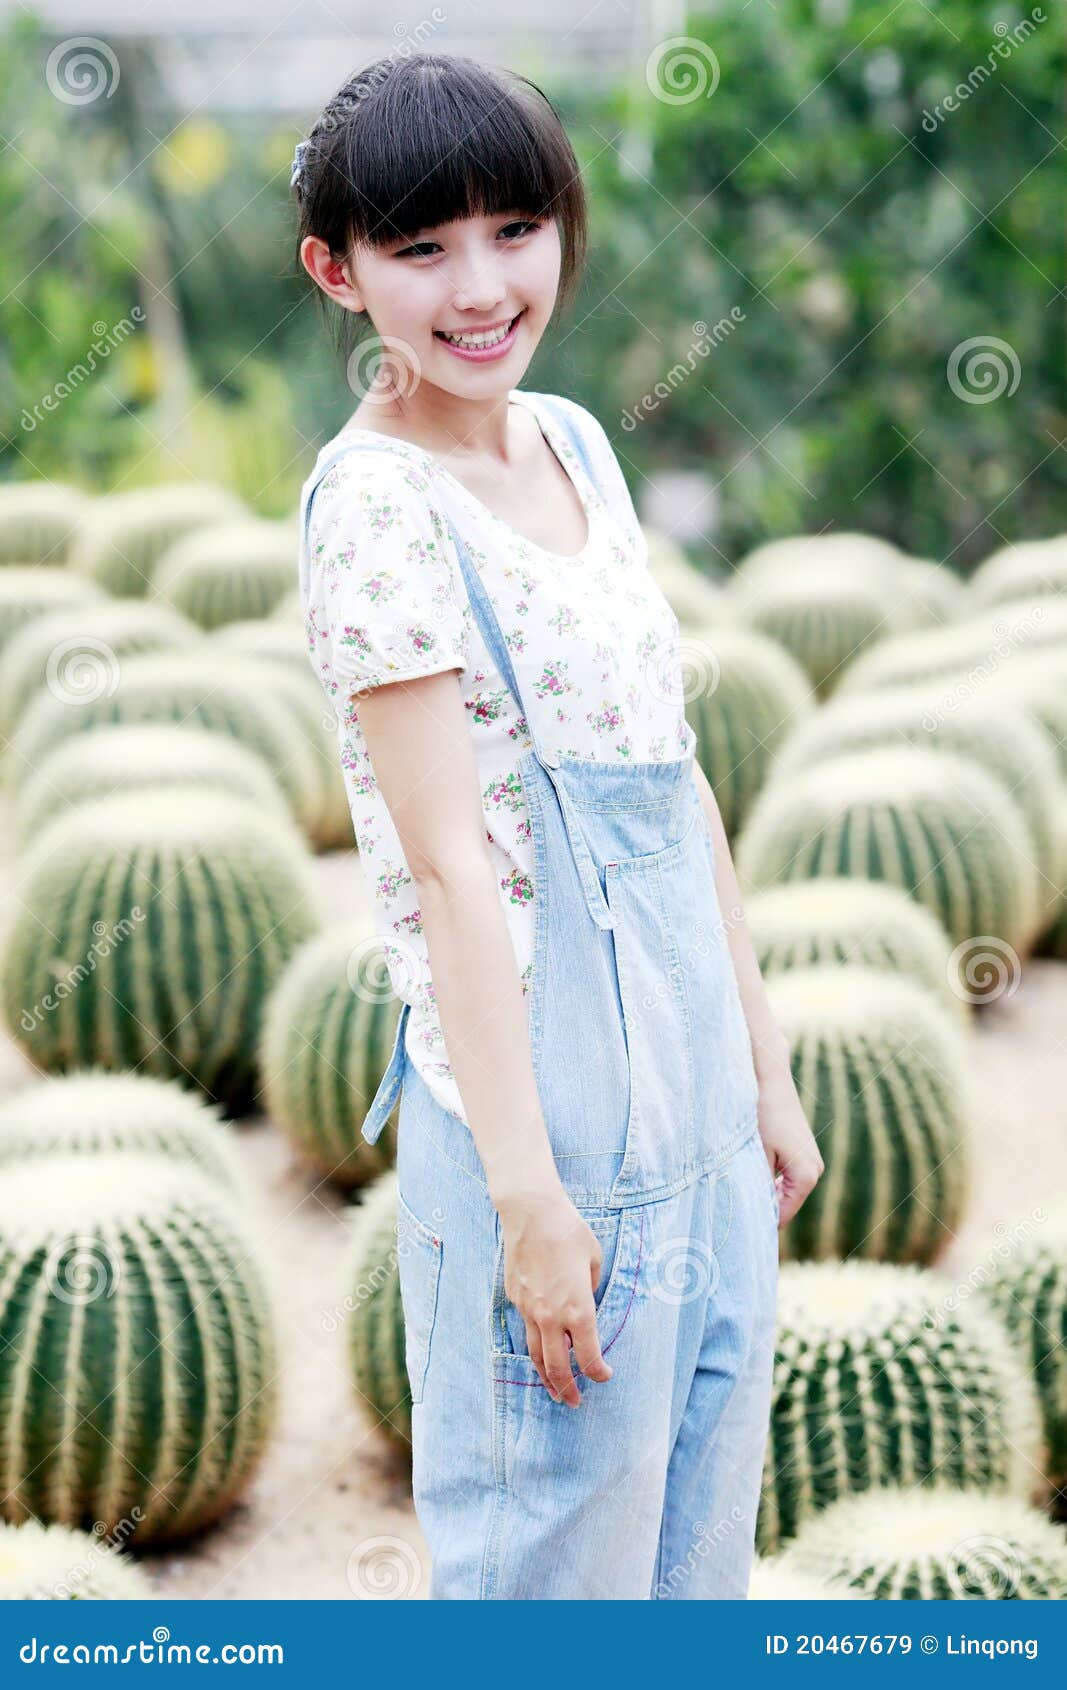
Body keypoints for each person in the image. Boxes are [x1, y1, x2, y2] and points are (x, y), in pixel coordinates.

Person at [293, 50, 822, 1600]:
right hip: (543, 1125)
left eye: (516, 229)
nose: (481, 287)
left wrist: (763, 1068)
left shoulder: (577, 440)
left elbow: (673, 766)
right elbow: (453, 873)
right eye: (421, 247)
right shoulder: (378, 507)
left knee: (694, 1560)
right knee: (550, 1583)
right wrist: (530, 1202)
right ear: (338, 272)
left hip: (700, 1096)